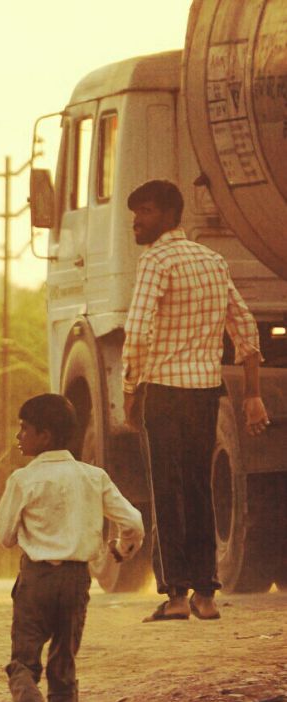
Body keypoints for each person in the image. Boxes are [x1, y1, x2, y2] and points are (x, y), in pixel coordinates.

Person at [122, 179, 270, 622]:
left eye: (144, 211)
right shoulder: (212, 260)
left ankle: (175, 596)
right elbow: (243, 324)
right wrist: (253, 394)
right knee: (198, 488)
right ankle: (207, 595)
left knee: (166, 491)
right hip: (205, 392)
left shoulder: (155, 261)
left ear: (167, 215)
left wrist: (130, 390)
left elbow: (138, 330)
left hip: (163, 392)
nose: (136, 220)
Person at [0, 394, 144, 702]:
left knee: (23, 661)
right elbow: (134, 520)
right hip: (76, 581)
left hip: (36, 580)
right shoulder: (93, 477)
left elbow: (5, 535)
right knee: (64, 665)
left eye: (24, 428)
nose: (18, 435)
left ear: (44, 435)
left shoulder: (23, 479)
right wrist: (122, 549)